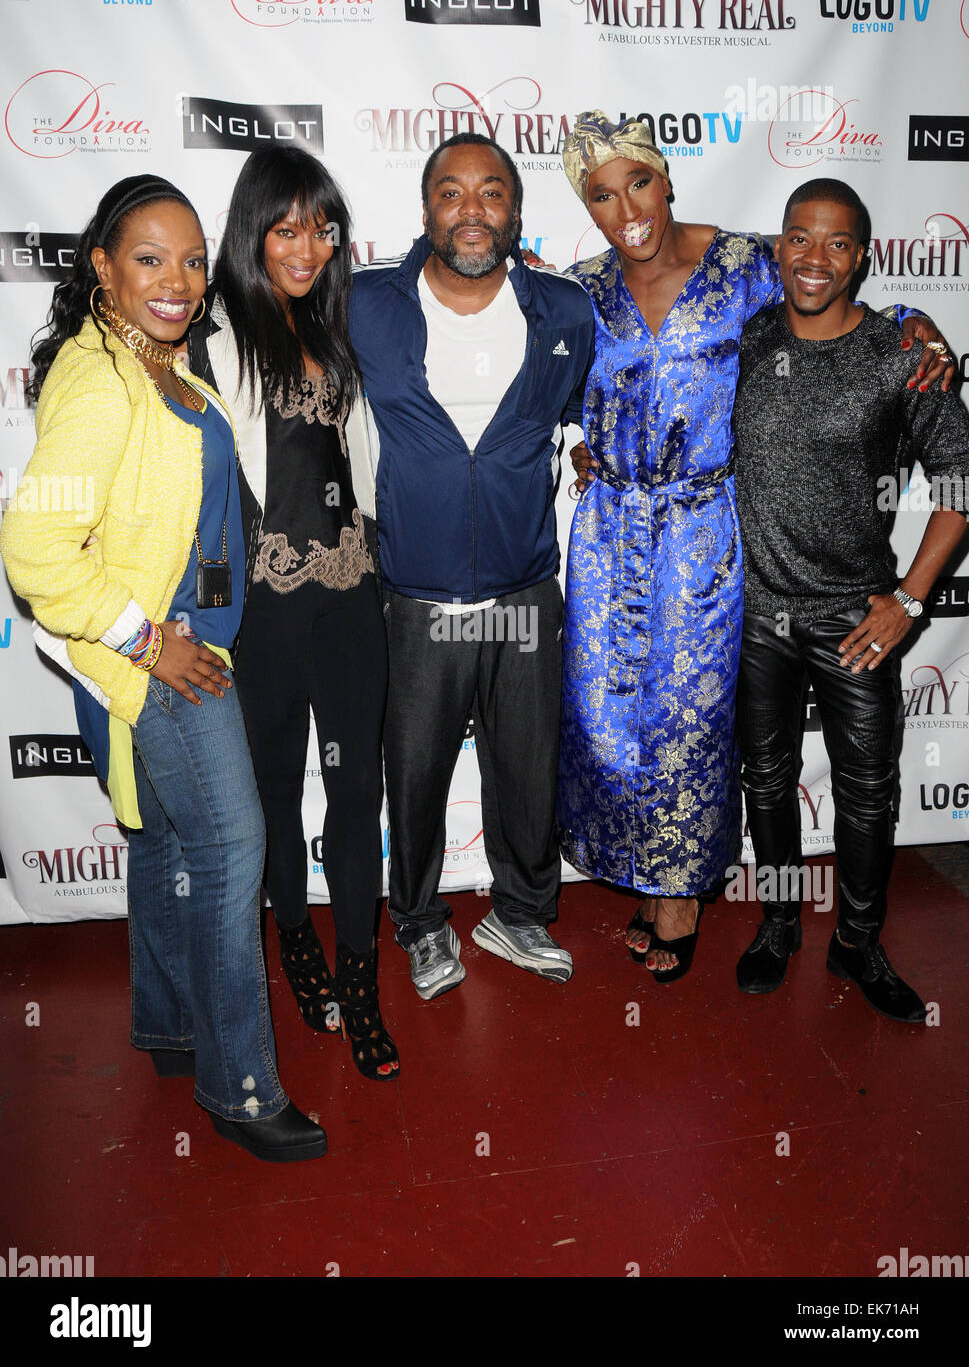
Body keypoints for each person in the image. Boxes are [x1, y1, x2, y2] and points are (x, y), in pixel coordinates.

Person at [558, 111, 954, 984]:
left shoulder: (742, 265)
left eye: (637, 181)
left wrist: (914, 323)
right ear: (584, 206)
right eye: (599, 193)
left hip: (706, 534)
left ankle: (698, 899)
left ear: (666, 180)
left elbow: (830, 296)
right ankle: (659, 872)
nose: (624, 206)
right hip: (611, 533)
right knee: (615, 719)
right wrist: (581, 444)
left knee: (695, 726)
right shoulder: (577, 287)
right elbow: (539, 381)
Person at [0, 175, 325, 1160]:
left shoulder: (163, 361)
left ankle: (173, 1027)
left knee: (165, 847)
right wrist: (151, 640)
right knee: (233, 851)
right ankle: (239, 1087)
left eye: (191, 260)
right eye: (151, 258)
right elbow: (35, 551)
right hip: (159, 663)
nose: (179, 280)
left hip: (178, 646)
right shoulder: (100, 382)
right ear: (102, 265)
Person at [348, 133, 595, 999]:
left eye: (491, 193)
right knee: (411, 773)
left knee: (527, 765)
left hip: (526, 585)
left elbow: (573, 421)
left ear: (514, 211)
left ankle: (520, 915)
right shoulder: (366, 304)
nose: (471, 210)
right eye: (450, 193)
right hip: (415, 594)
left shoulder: (563, 312)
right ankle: (418, 925)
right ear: (425, 211)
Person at [731, 178, 969, 1021]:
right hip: (755, 610)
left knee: (868, 790)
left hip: (853, 617)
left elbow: (958, 484)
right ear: (777, 247)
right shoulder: (748, 336)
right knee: (766, 777)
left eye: (836, 243)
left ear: (863, 256)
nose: (814, 258)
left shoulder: (904, 354)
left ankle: (858, 940)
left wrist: (907, 599)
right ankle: (778, 922)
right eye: (799, 238)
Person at [187, 146, 397, 1080]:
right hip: (262, 616)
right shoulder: (210, 335)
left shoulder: (337, 327)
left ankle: (360, 978)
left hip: (351, 602)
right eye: (285, 228)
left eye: (321, 227)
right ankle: (295, 943)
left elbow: (364, 464)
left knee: (356, 795)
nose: (306, 245)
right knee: (272, 796)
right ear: (253, 231)